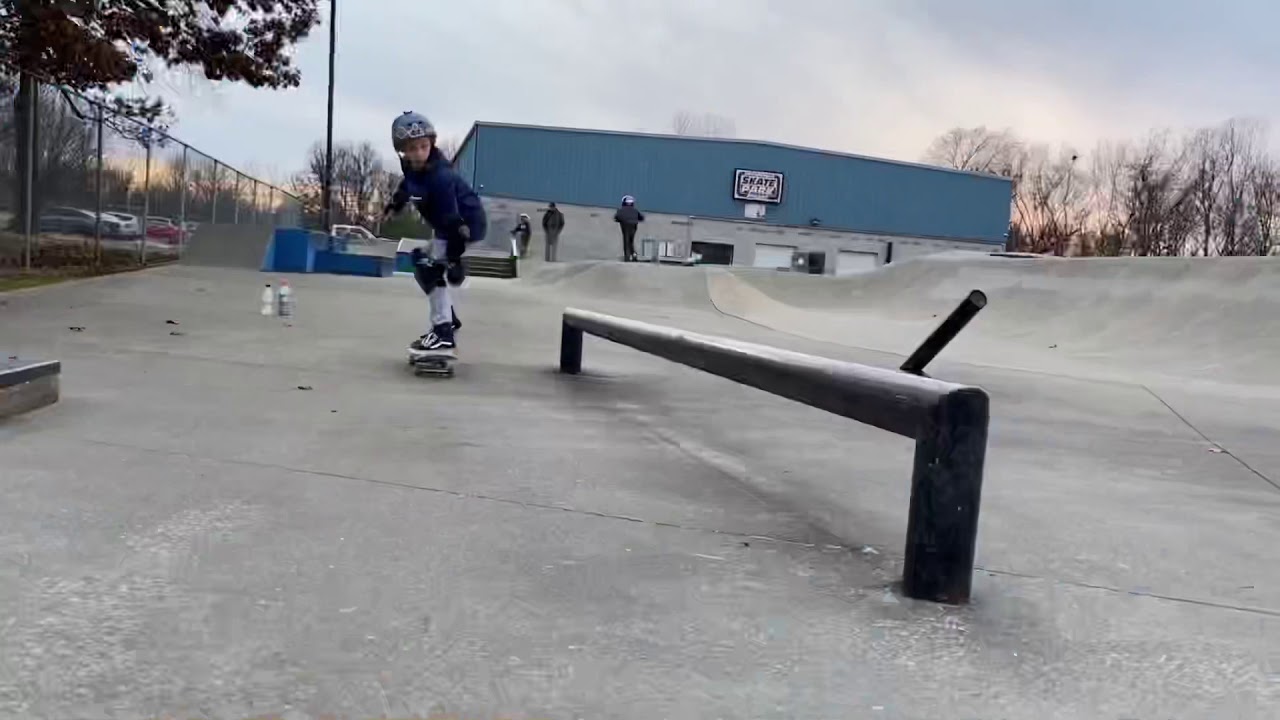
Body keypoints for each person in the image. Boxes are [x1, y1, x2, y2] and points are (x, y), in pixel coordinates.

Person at [383, 110, 487, 353]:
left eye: (423, 146)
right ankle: (448, 318)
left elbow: (453, 222)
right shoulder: (412, 170)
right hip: (447, 226)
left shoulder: (440, 178)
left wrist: (453, 259)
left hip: (464, 225)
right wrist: (394, 205)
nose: (418, 153)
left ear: (431, 144)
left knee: (431, 269)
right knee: (421, 261)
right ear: (403, 151)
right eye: (412, 148)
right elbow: (406, 186)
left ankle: (443, 332)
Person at [613, 195, 644, 261]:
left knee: (626, 241)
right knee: (631, 241)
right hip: (634, 226)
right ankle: (634, 255)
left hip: (625, 226)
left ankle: (627, 257)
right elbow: (641, 218)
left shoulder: (621, 210)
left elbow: (616, 217)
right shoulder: (635, 211)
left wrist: (619, 220)